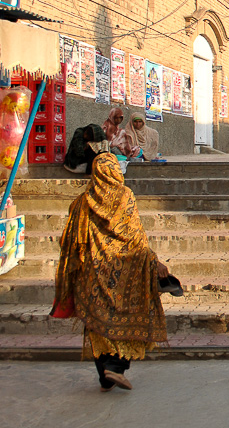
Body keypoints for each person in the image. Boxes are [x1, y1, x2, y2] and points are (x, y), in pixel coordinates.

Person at [50, 153, 169, 391]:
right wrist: (154, 261)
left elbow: (69, 240)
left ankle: (105, 377)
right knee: (127, 318)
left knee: (96, 326)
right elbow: (136, 236)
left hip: (91, 274)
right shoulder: (125, 197)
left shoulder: (82, 201)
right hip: (124, 273)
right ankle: (115, 367)